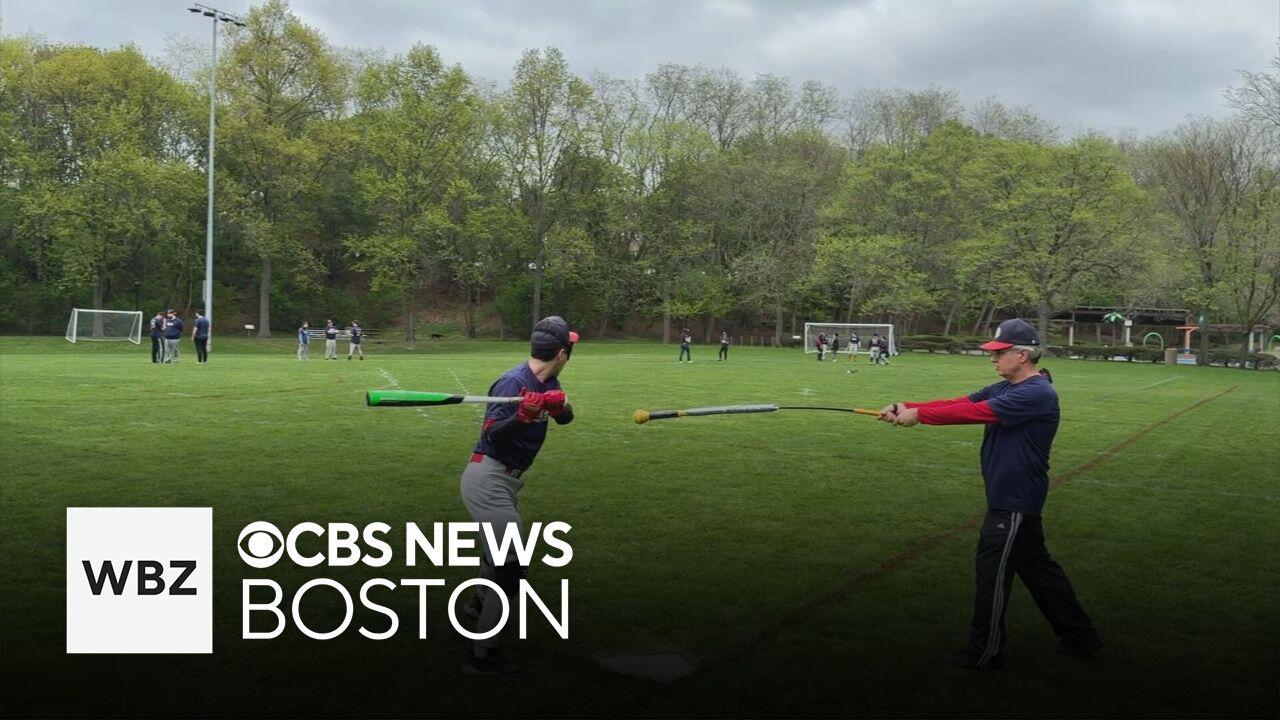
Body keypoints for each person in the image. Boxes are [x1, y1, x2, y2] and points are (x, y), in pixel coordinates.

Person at [877, 318, 1101, 670]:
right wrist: (906, 404)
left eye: (999, 353)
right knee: (1040, 572)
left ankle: (985, 652)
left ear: (1023, 354)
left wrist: (920, 417)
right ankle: (1081, 638)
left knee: (992, 573)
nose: (992, 359)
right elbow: (959, 401)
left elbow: (973, 412)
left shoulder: (1036, 393)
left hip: (1014, 502)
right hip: (1012, 500)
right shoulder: (1005, 387)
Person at [459, 316, 578, 676]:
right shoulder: (512, 382)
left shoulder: (550, 381)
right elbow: (493, 435)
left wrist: (559, 408)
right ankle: (484, 655)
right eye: (570, 348)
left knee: (497, 554)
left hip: (507, 482)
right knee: (511, 567)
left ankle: (478, 604)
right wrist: (523, 416)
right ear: (561, 352)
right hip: (487, 478)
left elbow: (566, 418)